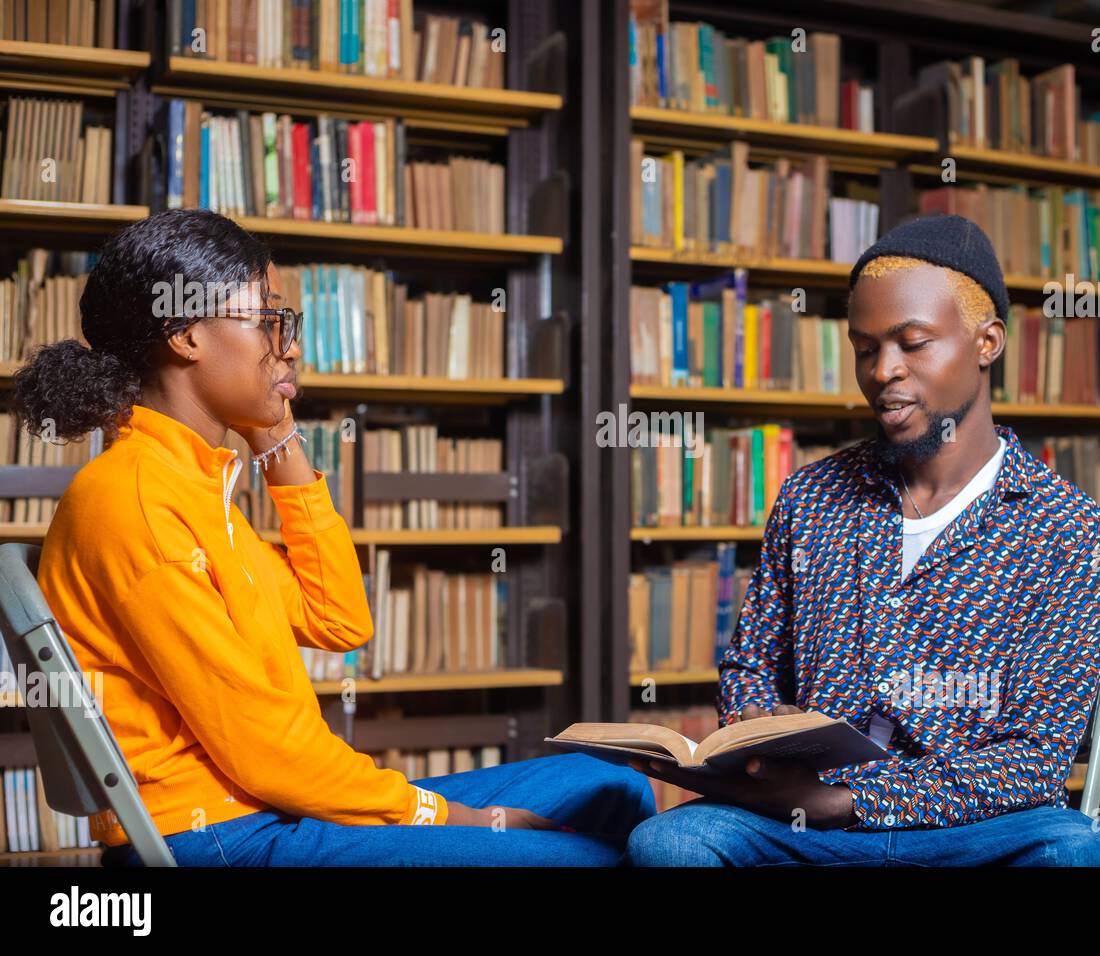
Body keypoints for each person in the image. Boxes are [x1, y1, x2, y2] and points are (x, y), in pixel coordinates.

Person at [18, 208, 653, 866]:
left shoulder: (198, 487)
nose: (289, 347)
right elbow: (265, 753)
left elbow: (340, 619)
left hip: (266, 811)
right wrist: (457, 816)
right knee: (587, 860)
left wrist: (276, 443)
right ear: (185, 334)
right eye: (269, 320)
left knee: (612, 786)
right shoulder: (139, 501)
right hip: (217, 836)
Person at [625, 214, 1100, 866]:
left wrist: (852, 800)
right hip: (801, 822)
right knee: (670, 844)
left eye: (912, 342)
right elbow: (750, 665)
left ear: (987, 343)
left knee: (1086, 859)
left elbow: (1033, 762)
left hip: (972, 831)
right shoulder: (810, 499)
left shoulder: (1070, 532)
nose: (882, 371)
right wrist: (764, 744)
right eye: (865, 348)